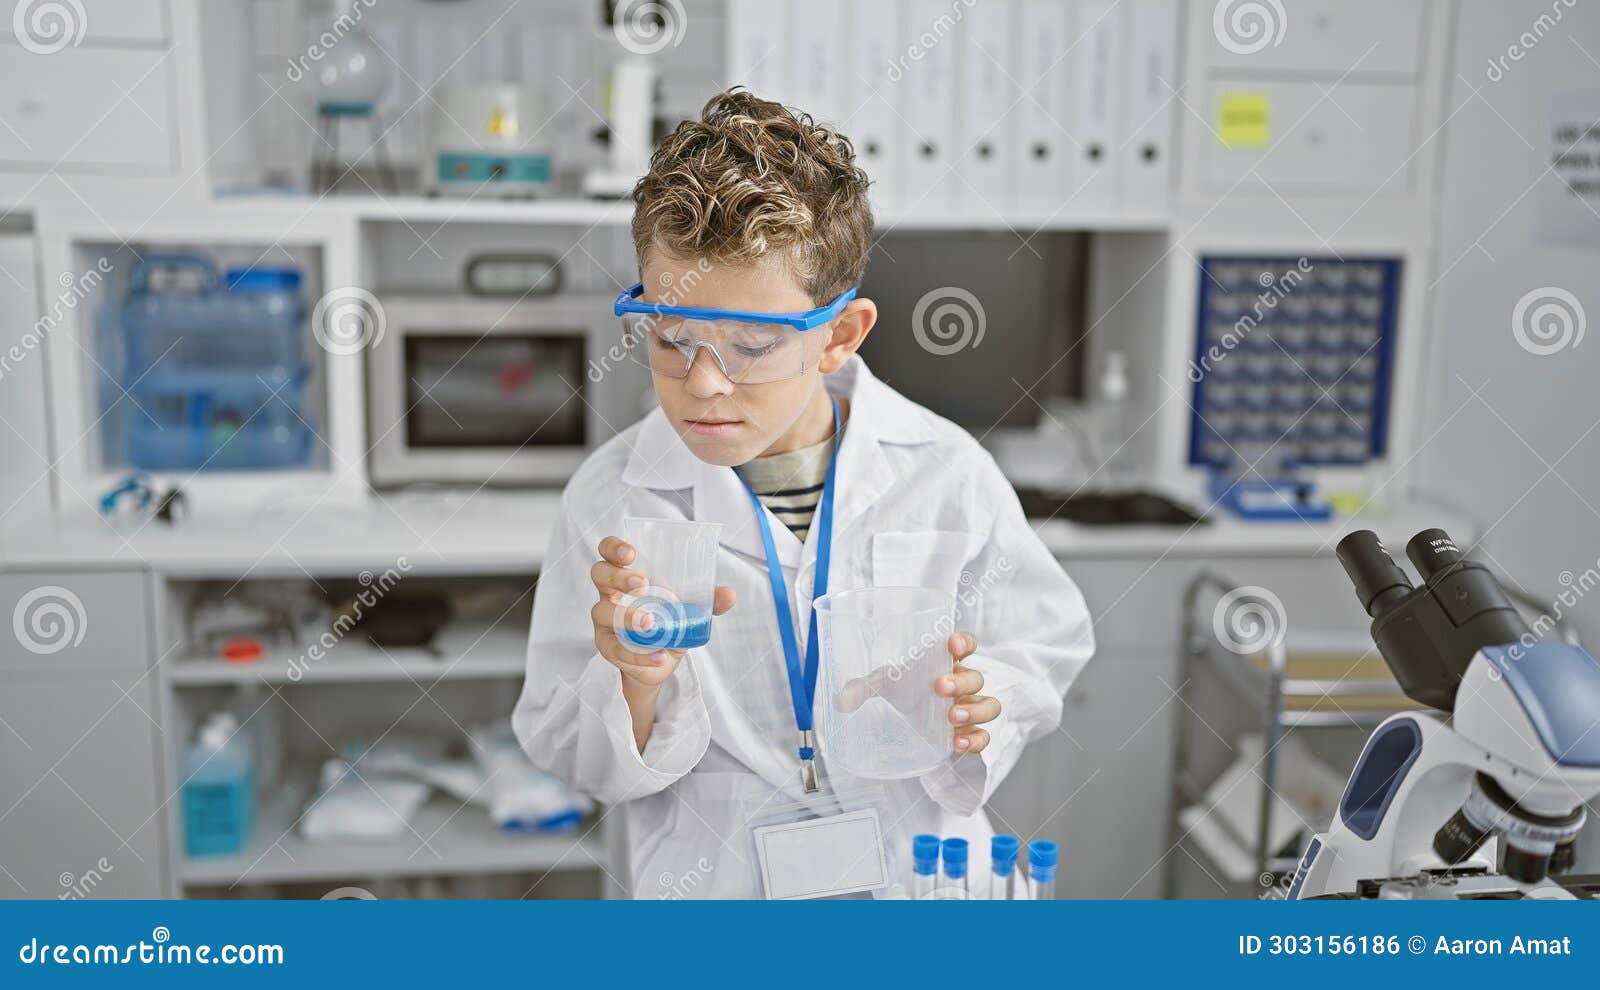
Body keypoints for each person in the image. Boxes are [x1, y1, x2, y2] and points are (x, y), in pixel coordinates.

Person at [513, 89, 1094, 898]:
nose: (703, 384)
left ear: (840, 335)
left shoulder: (942, 470)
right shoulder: (613, 497)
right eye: (672, 337)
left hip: (915, 879)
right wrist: (634, 685)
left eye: (751, 345)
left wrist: (981, 698)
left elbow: (1046, 641)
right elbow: (565, 744)